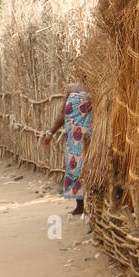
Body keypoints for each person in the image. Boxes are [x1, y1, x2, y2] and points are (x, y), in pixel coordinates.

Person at [44, 80, 93, 216]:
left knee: (92, 169)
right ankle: (80, 205)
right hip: (74, 139)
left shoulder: (97, 86)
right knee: (75, 170)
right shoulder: (71, 88)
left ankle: (94, 205)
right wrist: (50, 133)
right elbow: (62, 113)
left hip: (91, 137)